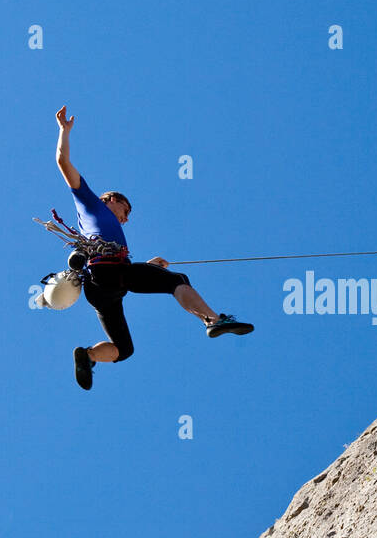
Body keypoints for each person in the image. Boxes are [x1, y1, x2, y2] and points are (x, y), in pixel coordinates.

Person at [55, 106, 252, 390]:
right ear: (110, 199)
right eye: (126, 210)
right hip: (107, 268)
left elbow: (126, 274)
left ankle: (88, 356)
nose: (126, 217)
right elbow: (63, 160)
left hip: (100, 288)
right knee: (178, 281)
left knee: (124, 349)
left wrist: (148, 267)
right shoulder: (90, 203)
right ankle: (213, 320)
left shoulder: (104, 224)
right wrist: (64, 131)